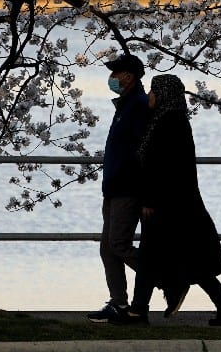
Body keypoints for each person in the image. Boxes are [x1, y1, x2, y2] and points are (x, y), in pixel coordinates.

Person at [109, 74, 221, 326]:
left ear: (163, 94)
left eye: (153, 91)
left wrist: (149, 199)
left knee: (157, 257)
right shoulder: (169, 119)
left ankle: (139, 310)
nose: (149, 96)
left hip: (166, 204)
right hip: (177, 202)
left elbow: (161, 165)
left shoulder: (168, 122)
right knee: (182, 256)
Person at [87, 53, 152, 323]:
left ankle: (163, 279)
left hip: (128, 188)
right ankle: (119, 302)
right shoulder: (124, 106)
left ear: (130, 76)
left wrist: (147, 194)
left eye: (116, 73)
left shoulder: (137, 105)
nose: (112, 78)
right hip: (113, 188)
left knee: (119, 244)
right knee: (107, 248)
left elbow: (144, 152)